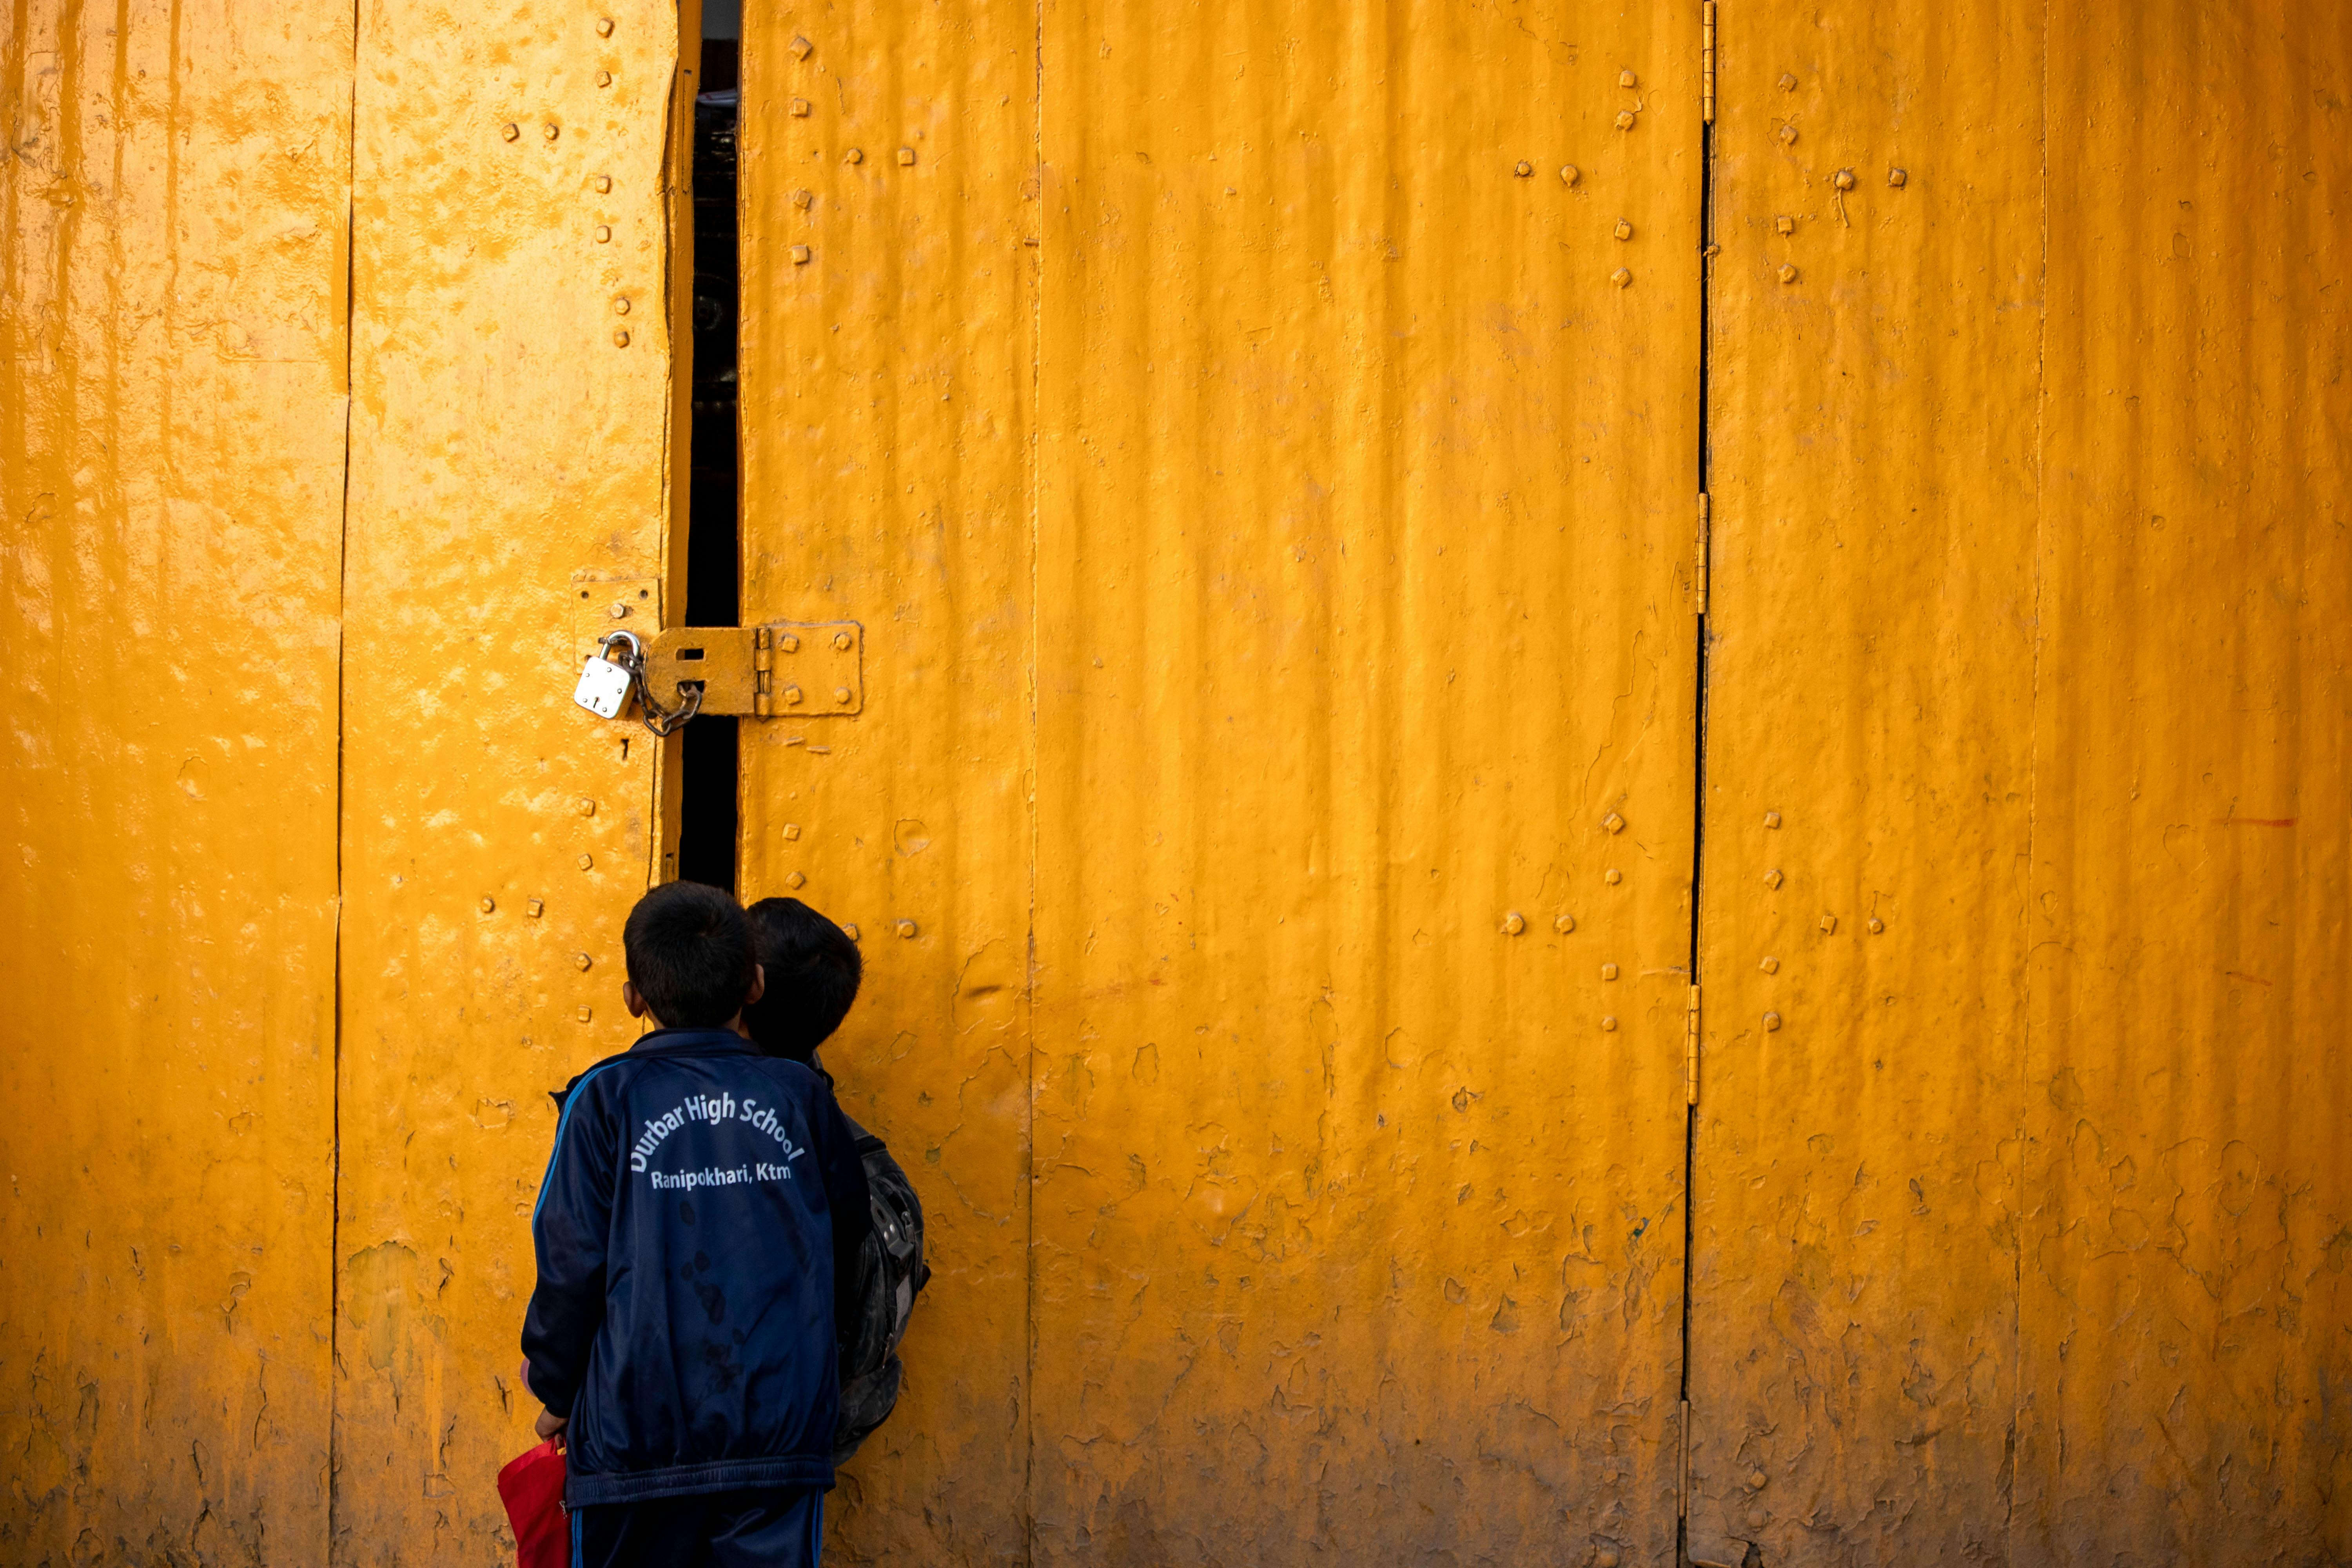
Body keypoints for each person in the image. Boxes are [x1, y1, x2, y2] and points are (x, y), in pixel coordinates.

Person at [521, 881, 870, 1568]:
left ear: (634, 998)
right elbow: (848, 1232)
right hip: (777, 1441)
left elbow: (570, 1260)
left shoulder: (604, 1098)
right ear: (755, 985)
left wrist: (556, 1391)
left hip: (634, 1444)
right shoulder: (800, 1095)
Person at [739, 897, 930, 1465]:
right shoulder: (827, 1128)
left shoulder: (715, 1136)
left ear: (744, 988)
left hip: (717, 1444)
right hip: (812, 1432)